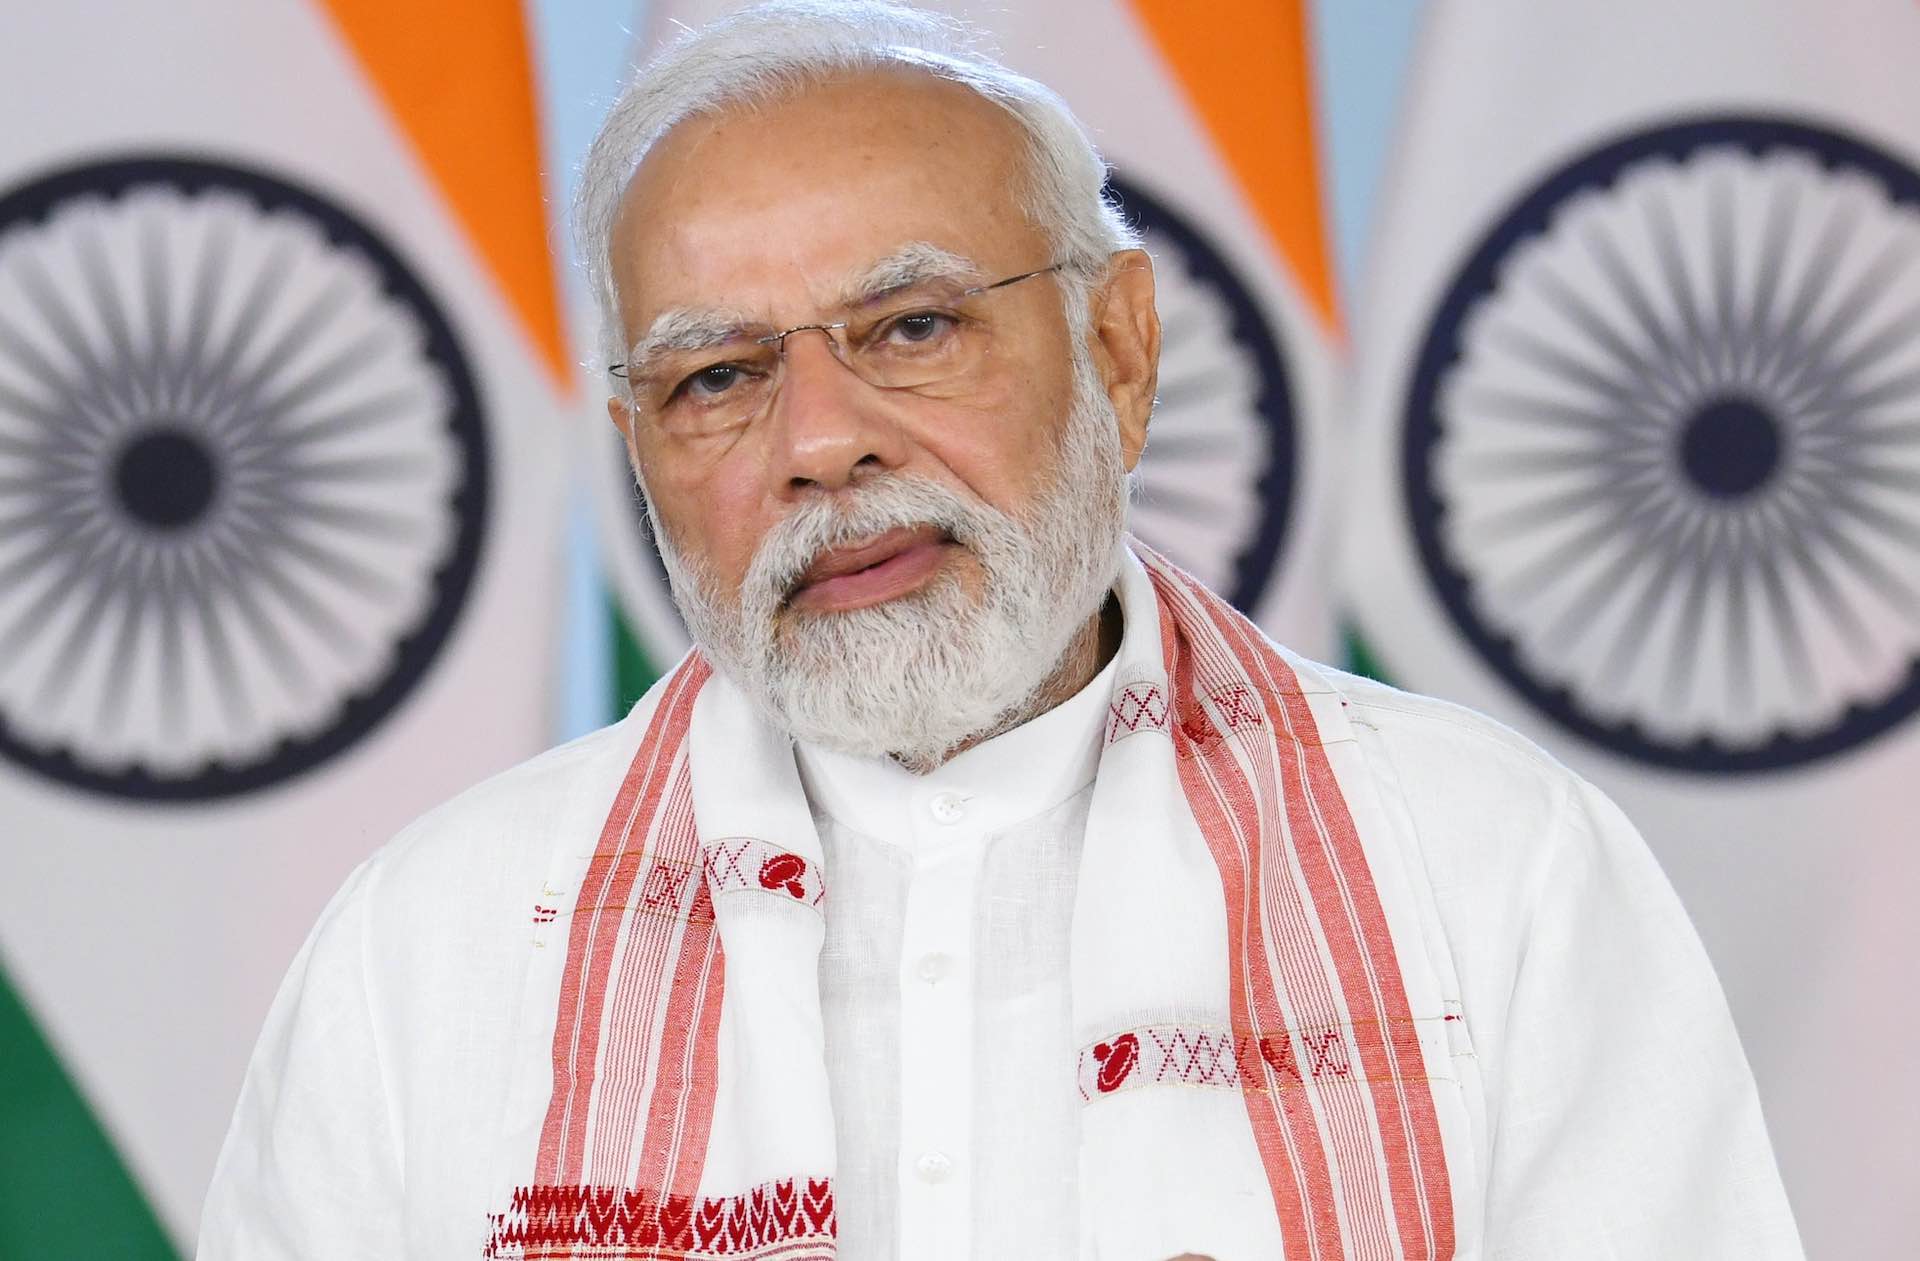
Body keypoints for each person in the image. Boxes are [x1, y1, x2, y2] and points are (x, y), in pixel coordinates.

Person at [199, 3, 1803, 1258]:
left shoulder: (1489, 863)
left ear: (1117, 348)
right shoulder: (433, 945)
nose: (820, 441)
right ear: (638, 448)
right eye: (717, 376)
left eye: (911, 328)